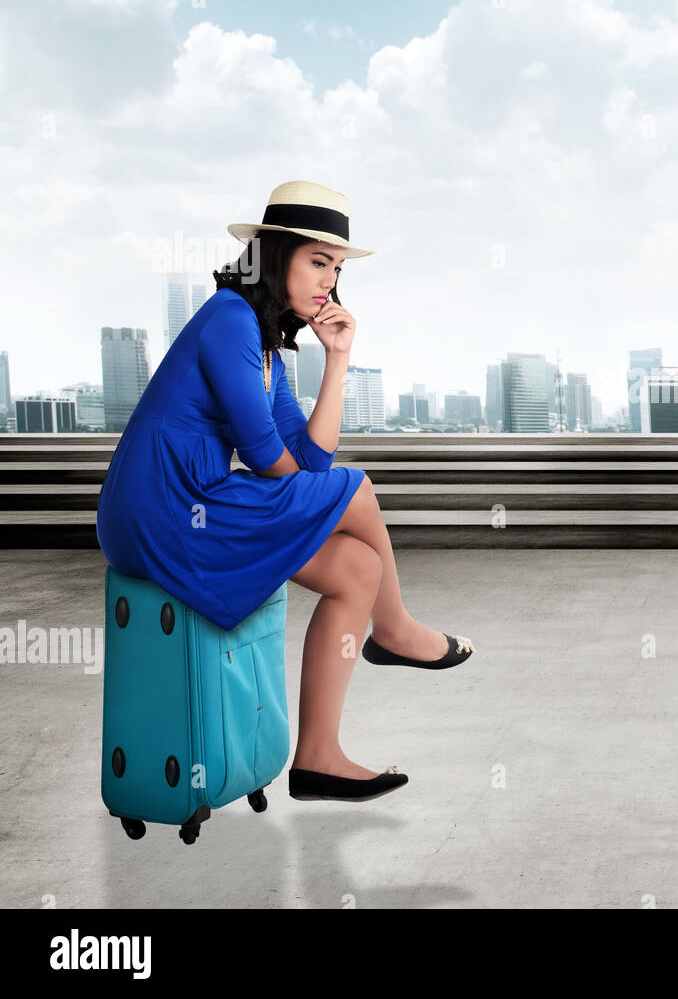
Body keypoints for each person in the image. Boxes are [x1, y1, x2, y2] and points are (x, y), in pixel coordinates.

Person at [96, 180, 474, 803]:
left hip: (203, 499)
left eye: (337, 269)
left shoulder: (268, 344)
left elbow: (309, 458)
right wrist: (311, 484)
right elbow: (275, 464)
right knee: (356, 487)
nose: (330, 282)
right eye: (317, 262)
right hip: (160, 508)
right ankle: (396, 627)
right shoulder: (229, 319)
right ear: (275, 256)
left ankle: (318, 758)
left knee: (357, 568)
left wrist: (338, 359)